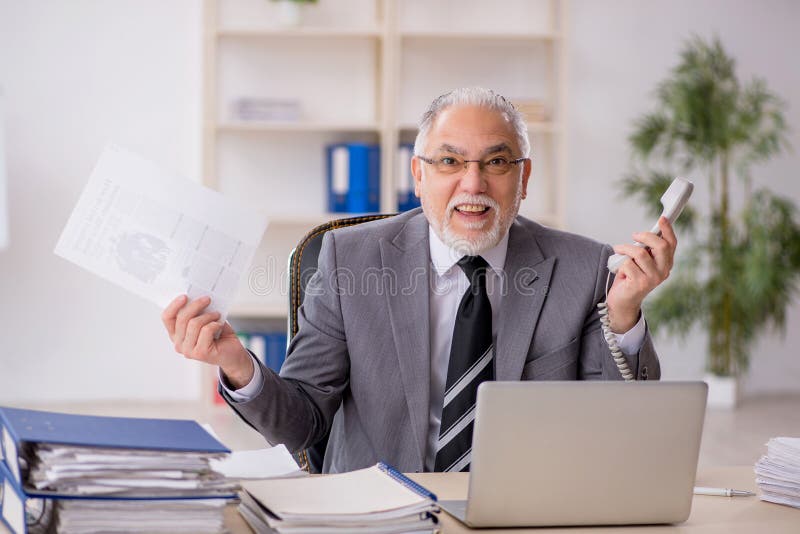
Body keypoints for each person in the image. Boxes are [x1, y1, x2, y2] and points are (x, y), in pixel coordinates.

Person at [162, 87, 677, 474]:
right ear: (418, 175)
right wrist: (234, 362)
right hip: (381, 510)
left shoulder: (586, 268)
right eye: (449, 161)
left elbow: (613, 429)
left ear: (523, 179)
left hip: (524, 514)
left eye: (496, 162)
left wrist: (624, 313)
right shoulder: (349, 260)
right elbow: (302, 425)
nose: (472, 183)